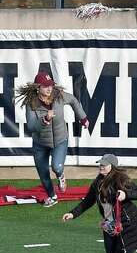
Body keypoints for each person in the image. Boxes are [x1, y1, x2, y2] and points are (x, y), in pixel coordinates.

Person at [61, 154, 137, 253]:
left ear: (112, 166)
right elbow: (87, 202)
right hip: (109, 224)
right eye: (100, 164)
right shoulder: (97, 183)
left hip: (126, 222)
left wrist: (125, 194)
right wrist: (72, 214)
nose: (101, 166)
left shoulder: (120, 179)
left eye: (104, 164)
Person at [18, 70, 88, 207]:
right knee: (43, 172)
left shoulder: (59, 96)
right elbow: (31, 127)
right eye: (45, 86)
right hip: (40, 143)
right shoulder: (31, 103)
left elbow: (73, 100)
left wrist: (83, 117)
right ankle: (52, 196)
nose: (49, 88)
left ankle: (61, 175)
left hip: (60, 140)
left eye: (50, 85)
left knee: (56, 167)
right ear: (38, 88)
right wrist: (45, 119)